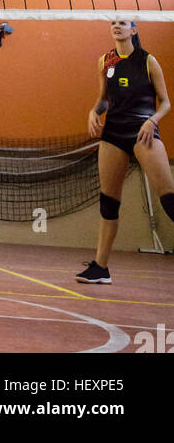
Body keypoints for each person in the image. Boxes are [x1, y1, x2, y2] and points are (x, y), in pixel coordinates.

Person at [77, 15, 174, 284]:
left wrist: (151, 121)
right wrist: (93, 111)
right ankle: (100, 267)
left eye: (123, 23)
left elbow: (165, 102)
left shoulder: (147, 60)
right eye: (113, 23)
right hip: (113, 132)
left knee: (169, 199)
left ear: (134, 29)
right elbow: (104, 99)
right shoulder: (105, 61)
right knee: (109, 202)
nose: (117, 26)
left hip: (142, 129)